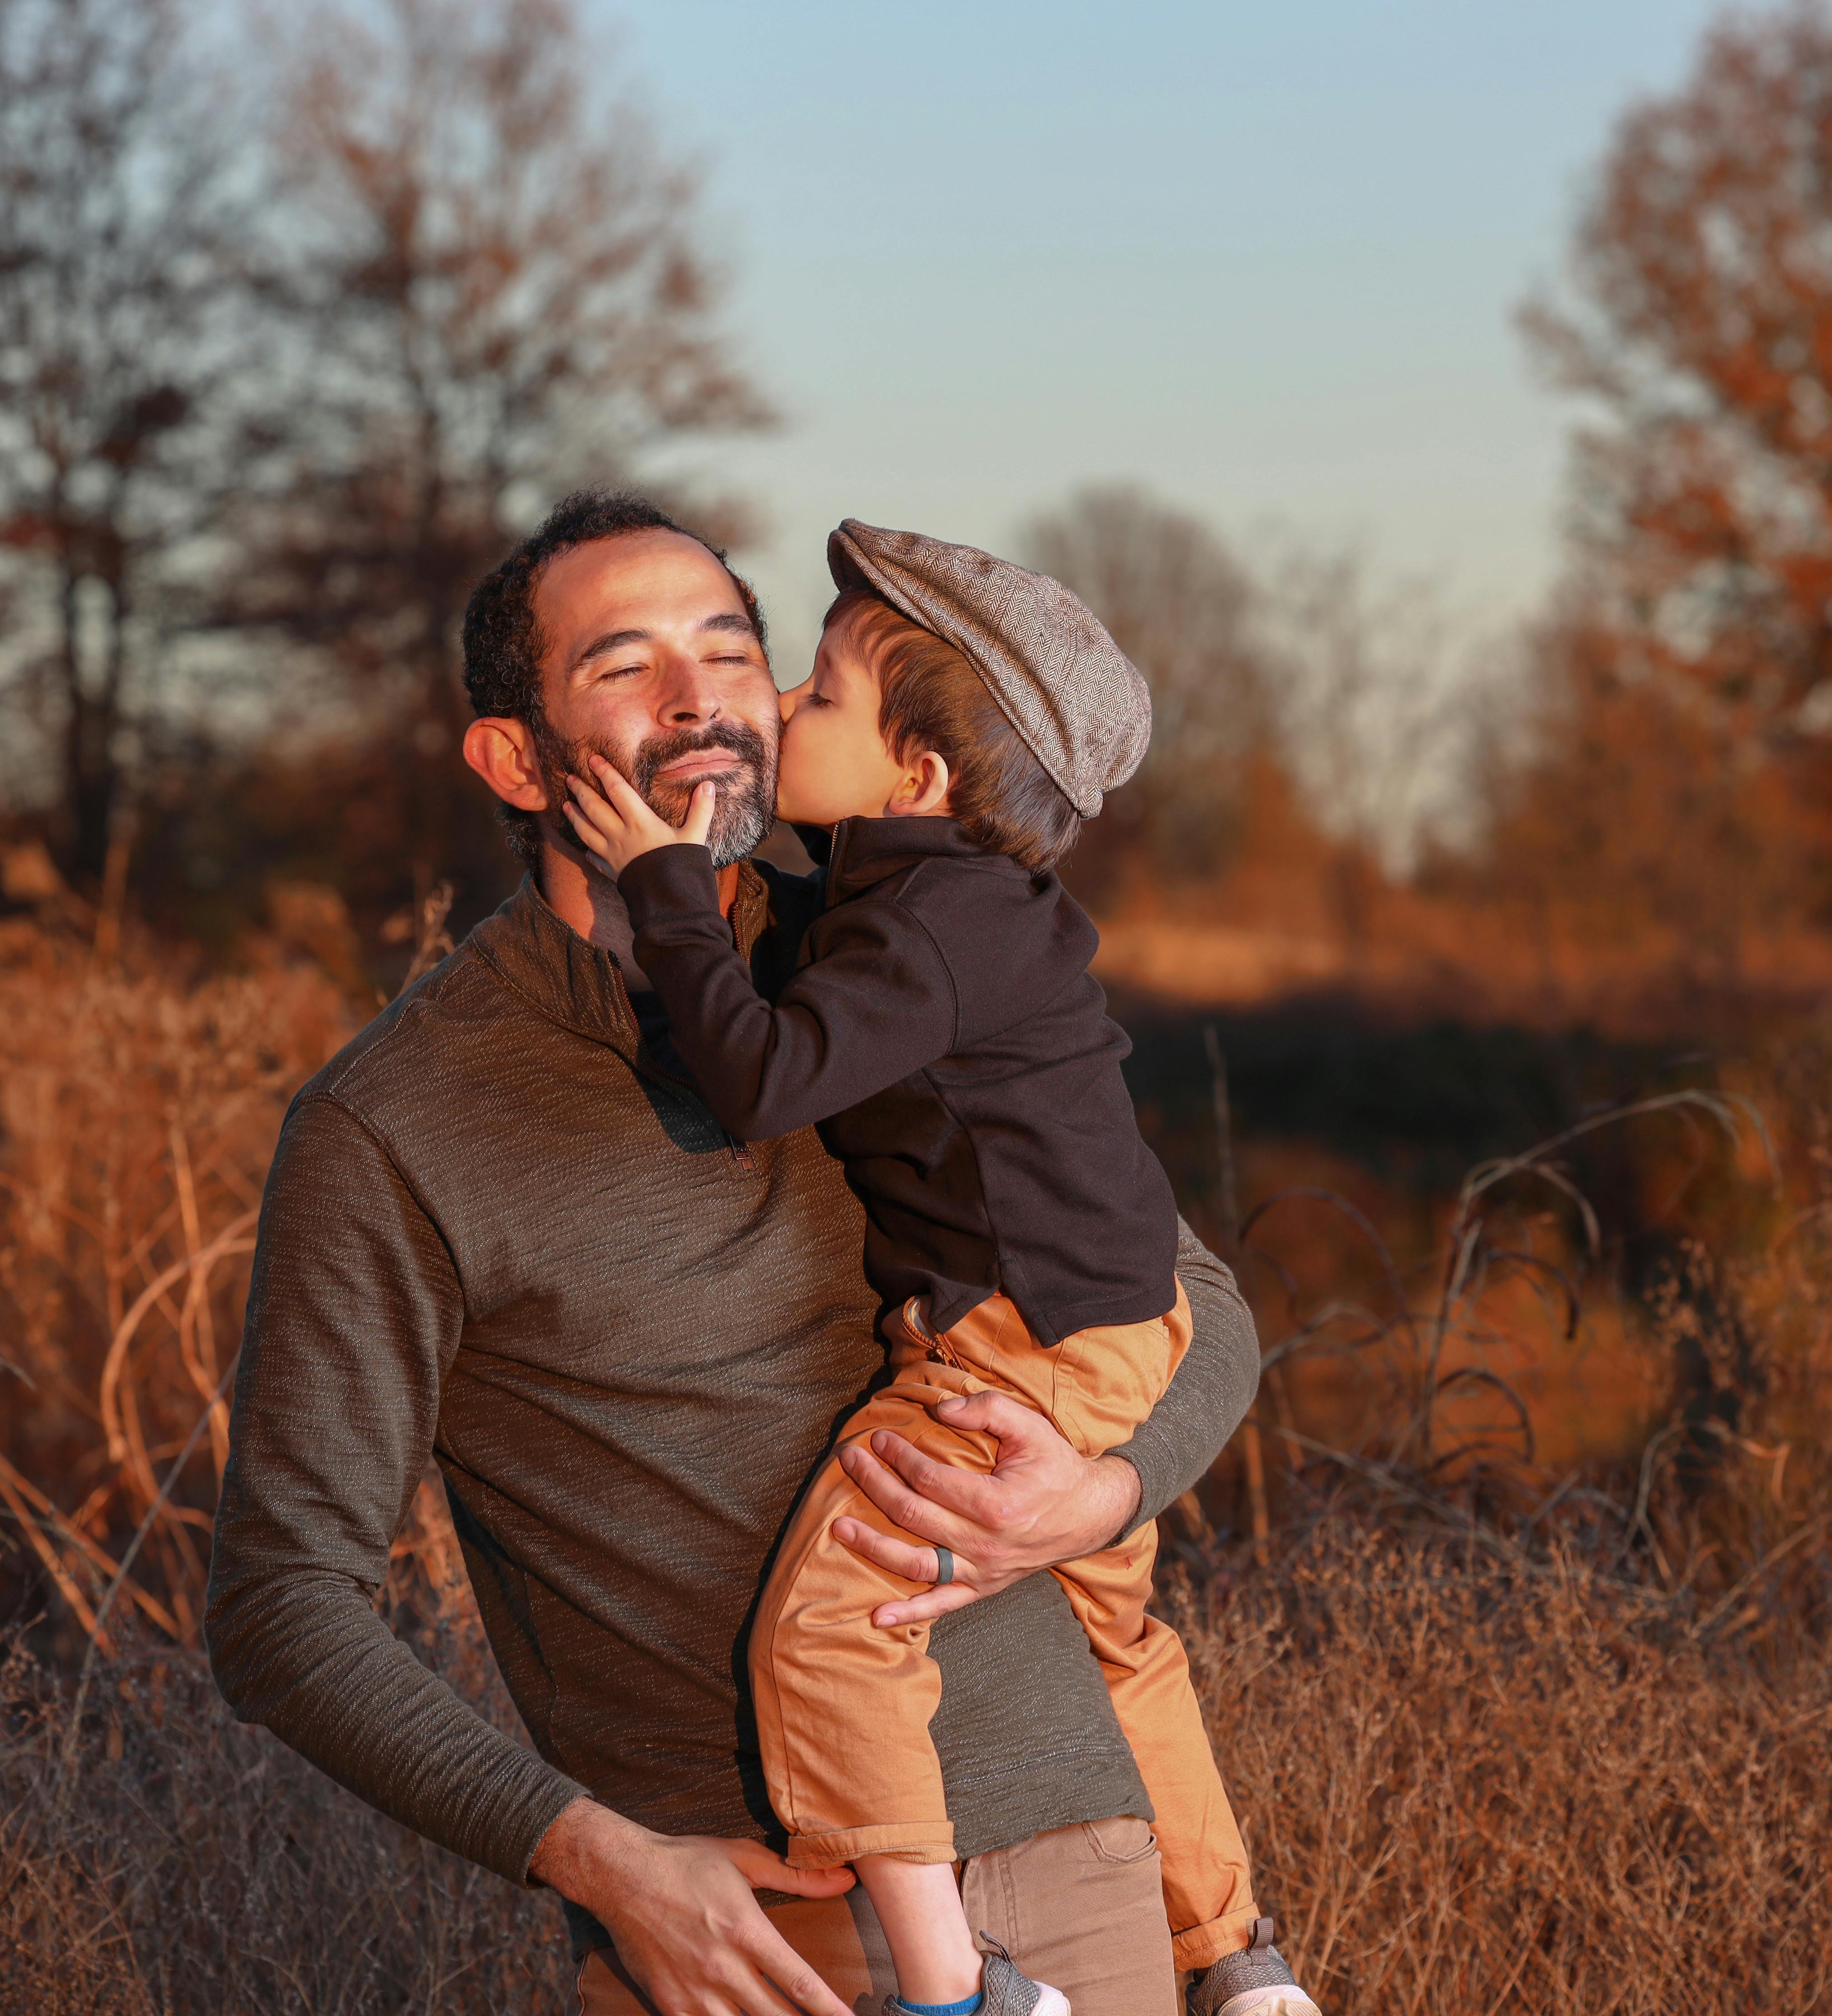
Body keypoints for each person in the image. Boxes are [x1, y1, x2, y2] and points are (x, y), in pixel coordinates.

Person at [206, 490, 1263, 2016]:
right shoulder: (398, 1123)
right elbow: (280, 1604)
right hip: (755, 1935)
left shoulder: (892, 953)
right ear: (517, 760)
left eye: (729, 644)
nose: (703, 696)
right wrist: (598, 1861)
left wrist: (1102, 1493)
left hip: (1080, 1853)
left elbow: (1193, 1298)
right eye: (624, 664)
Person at [562, 522, 1315, 2016]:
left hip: (1022, 1349)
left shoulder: (930, 932)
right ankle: (1237, 1962)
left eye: (820, 694)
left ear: (917, 775)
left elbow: (766, 1076)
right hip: (1112, 1324)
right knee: (1117, 1640)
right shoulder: (940, 898)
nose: (780, 706)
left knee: (835, 1632)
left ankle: (959, 1994)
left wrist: (667, 885)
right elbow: (824, 976)